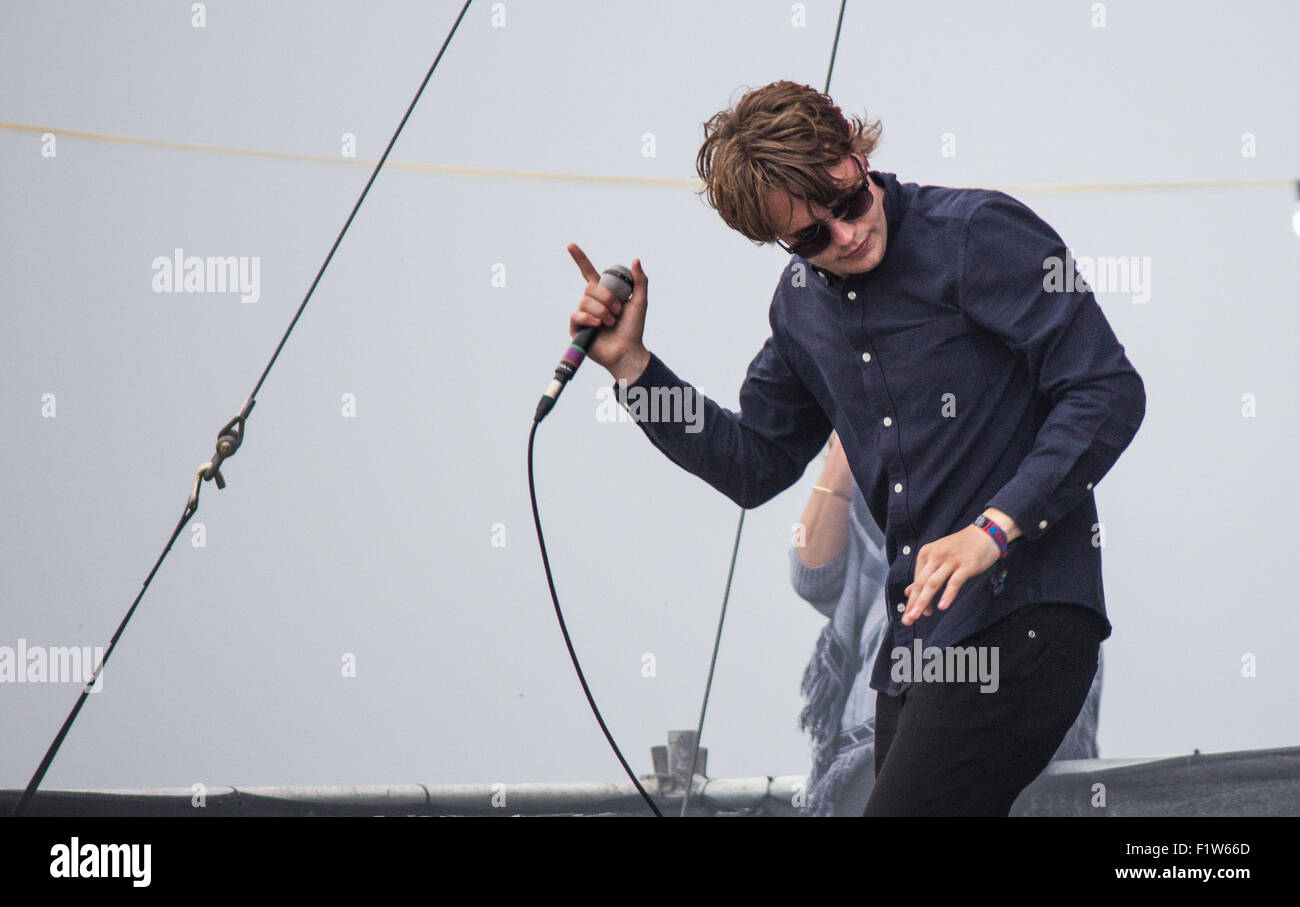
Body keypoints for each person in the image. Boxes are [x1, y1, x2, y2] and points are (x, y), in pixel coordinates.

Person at [565, 80, 1144, 815]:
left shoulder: (978, 233)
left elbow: (1105, 390)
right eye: (811, 237)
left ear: (854, 150)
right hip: (915, 648)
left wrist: (993, 529)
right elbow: (754, 463)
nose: (843, 235)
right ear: (774, 240)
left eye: (849, 202)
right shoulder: (798, 306)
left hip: (1027, 619)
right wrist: (633, 369)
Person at [791, 431, 1103, 816]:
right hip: (870, 735)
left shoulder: (1001, 461)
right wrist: (843, 454)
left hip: (986, 697)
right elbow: (812, 578)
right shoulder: (883, 479)